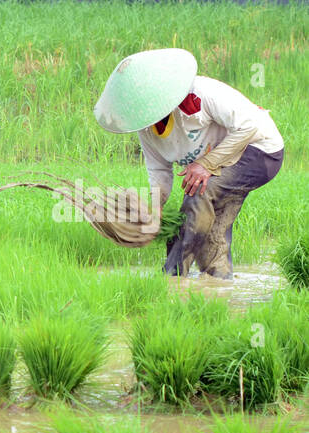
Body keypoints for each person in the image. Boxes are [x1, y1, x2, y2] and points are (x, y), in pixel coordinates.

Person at [94, 48, 284, 279]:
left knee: (199, 195)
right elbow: (159, 171)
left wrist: (206, 164)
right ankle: (218, 283)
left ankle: (172, 275)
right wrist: (157, 207)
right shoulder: (146, 128)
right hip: (224, 160)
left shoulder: (203, 94)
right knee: (214, 225)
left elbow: (250, 127)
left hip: (260, 150)